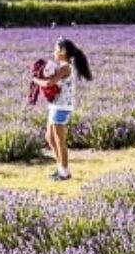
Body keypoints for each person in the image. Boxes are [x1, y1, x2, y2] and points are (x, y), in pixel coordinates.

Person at [32, 37, 93, 181]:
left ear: (62, 51)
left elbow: (48, 83)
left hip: (61, 107)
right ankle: (60, 168)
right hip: (55, 105)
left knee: (60, 141)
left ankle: (65, 173)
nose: (54, 52)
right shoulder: (62, 67)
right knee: (50, 137)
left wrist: (35, 80)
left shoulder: (65, 67)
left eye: (55, 49)